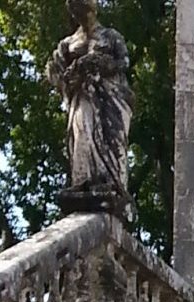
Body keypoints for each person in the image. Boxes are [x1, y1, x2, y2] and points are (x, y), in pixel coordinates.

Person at [47, 0, 133, 215]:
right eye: (76, 13)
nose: (81, 16)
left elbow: (124, 62)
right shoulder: (68, 43)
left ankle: (110, 181)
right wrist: (68, 74)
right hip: (83, 97)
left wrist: (105, 65)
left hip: (110, 97)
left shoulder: (110, 36)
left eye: (84, 11)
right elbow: (57, 74)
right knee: (82, 134)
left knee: (111, 137)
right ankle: (83, 180)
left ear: (92, 11)